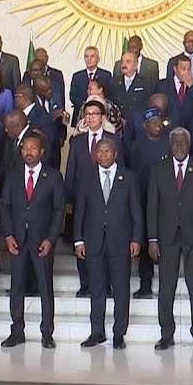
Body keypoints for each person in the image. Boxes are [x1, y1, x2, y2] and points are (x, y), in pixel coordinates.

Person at [147, 127, 193, 350]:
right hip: (167, 237)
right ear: (170, 145)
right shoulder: (158, 169)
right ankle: (166, 334)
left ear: (189, 144)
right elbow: (152, 206)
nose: (179, 147)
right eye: (175, 143)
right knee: (166, 289)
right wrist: (152, 239)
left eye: (183, 143)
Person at [73, 137, 141, 349]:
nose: (103, 154)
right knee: (97, 289)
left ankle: (119, 334)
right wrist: (78, 240)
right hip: (93, 242)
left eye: (107, 151)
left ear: (115, 154)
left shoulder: (129, 178)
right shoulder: (86, 178)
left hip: (120, 242)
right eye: (99, 151)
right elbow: (80, 212)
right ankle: (97, 332)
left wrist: (136, 239)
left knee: (121, 290)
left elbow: (136, 212)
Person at [0, 134, 64, 348]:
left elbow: (58, 211)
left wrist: (51, 239)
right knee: (16, 286)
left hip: (41, 242)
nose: (28, 151)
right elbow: (6, 207)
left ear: (41, 151)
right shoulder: (13, 175)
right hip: (17, 241)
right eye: (25, 148)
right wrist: (8, 235)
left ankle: (47, 333)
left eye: (33, 148)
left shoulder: (53, 177)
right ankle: (17, 331)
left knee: (45, 287)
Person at [64, 100, 114, 297]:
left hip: (107, 198)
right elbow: (71, 171)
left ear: (103, 117)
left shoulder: (114, 139)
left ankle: (107, 284)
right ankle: (86, 284)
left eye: (95, 114)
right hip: (83, 200)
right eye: (88, 114)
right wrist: (69, 199)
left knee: (108, 242)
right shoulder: (77, 141)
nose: (91, 117)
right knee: (82, 241)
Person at [127, 107, 169, 299]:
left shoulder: (170, 143)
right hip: (143, 199)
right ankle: (146, 284)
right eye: (151, 122)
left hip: (167, 201)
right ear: (145, 126)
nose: (156, 125)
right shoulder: (137, 145)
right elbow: (133, 173)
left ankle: (168, 284)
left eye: (158, 121)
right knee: (145, 242)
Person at [156, 55, 193, 128]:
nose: (186, 72)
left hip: (191, 131)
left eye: (189, 69)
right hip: (169, 129)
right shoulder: (162, 85)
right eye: (183, 69)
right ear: (175, 69)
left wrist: (191, 87)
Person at [69, 46, 111, 125]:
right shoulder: (77, 76)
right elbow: (73, 96)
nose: (89, 59)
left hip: (100, 116)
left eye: (92, 56)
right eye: (86, 56)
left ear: (98, 59)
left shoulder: (106, 75)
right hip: (80, 116)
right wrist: (86, 107)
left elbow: (109, 95)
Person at [110, 51, 154, 122]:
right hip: (118, 122)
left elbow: (148, 102)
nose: (124, 64)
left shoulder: (145, 82)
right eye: (122, 62)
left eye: (128, 62)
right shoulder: (114, 82)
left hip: (137, 122)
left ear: (136, 65)